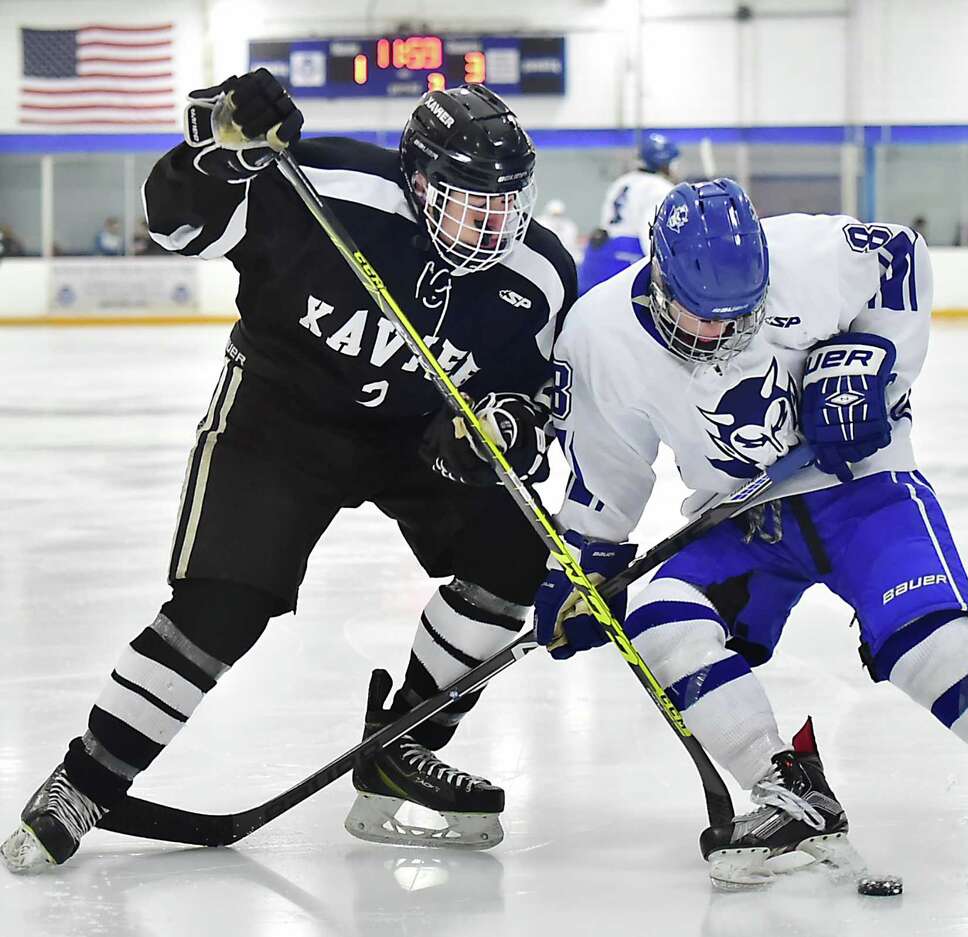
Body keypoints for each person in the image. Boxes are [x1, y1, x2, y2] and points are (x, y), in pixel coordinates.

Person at [2, 72, 576, 874]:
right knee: (221, 606)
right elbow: (175, 227)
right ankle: (87, 780)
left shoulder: (538, 274)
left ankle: (403, 746)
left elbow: (534, 400)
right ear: (416, 180)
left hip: (414, 432)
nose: (490, 224)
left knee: (515, 551)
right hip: (282, 416)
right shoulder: (322, 184)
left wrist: (499, 433)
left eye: (505, 201)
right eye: (466, 198)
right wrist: (220, 155)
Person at [533, 179, 968, 889]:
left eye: (742, 315)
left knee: (927, 642)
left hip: (862, 486)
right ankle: (789, 791)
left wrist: (874, 369)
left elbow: (902, 257)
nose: (723, 335)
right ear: (656, 278)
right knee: (660, 614)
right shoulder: (601, 334)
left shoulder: (807, 255)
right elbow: (608, 468)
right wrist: (583, 560)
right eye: (700, 318)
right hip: (744, 515)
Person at [576, 132, 678, 295]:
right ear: (666, 162)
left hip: (600, 250)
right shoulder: (661, 187)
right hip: (630, 254)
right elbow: (650, 232)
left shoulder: (622, 181)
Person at [535, 198, 581, 263]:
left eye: (559, 215)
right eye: (555, 215)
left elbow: (572, 246)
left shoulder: (570, 226)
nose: (557, 218)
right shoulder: (539, 223)